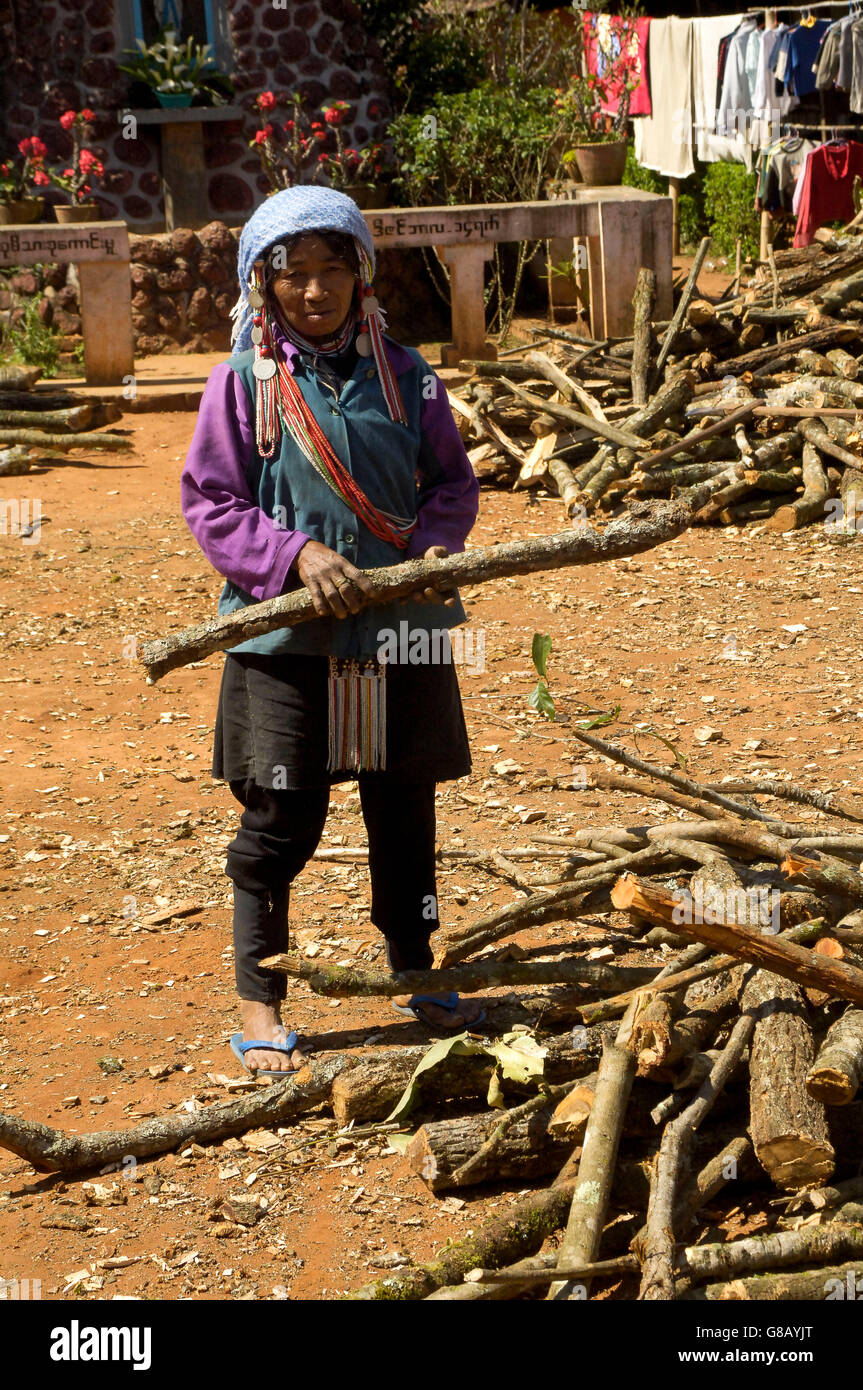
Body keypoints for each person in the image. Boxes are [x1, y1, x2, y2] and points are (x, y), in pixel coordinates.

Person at [180, 186, 483, 1074]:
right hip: (289, 641)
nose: (314, 292)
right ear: (263, 288)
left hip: (396, 634)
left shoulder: (408, 376)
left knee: (402, 808)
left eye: (331, 270)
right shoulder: (241, 384)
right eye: (293, 276)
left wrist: (430, 550)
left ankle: (415, 966)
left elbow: (450, 487)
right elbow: (212, 500)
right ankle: (260, 993)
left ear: (360, 272)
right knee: (282, 814)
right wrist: (292, 558)